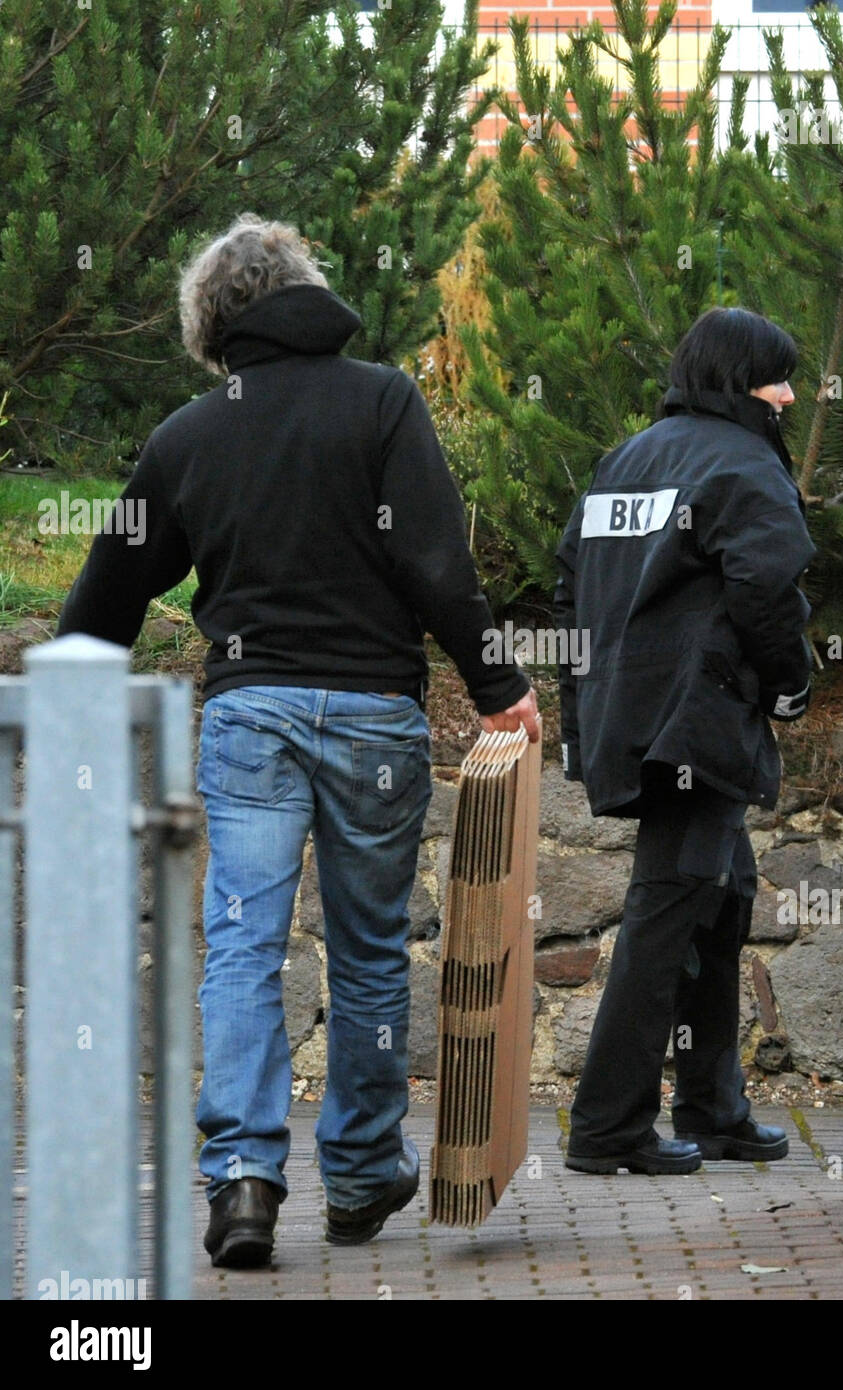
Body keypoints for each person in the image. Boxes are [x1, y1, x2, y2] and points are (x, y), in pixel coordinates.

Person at [55, 212, 539, 1266]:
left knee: (242, 943)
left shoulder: (190, 434)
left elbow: (109, 590)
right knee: (368, 950)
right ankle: (362, 1173)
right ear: (305, 291)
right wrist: (497, 683)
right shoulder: (380, 400)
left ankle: (241, 1179)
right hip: (372, 714)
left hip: (250, 718)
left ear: (209, 321)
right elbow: (436, 563)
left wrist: (67, 698)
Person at [554, 305, 817, 1175]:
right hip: (696, 724)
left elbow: (569, 594)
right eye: (777, 377)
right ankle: (607, 1127)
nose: (788, 396)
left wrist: (578, 719)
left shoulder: (623, 462)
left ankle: (713, 1108)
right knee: (665, 915)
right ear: (743, 380)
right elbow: (768, 589)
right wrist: (788, 683)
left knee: (721, 898)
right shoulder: (743, 463)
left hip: (627, 716)